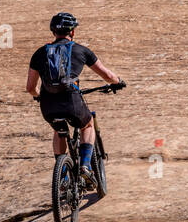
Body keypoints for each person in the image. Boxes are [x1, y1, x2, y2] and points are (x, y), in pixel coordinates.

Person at [26, 12, 124, 189]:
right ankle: (85, 166)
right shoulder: (80, 50)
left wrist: (38, 95)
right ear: (72, 32)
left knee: (59, 131)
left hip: (48, 105)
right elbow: (107, 75)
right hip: (71, 101)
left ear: (53, 32)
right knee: (87, 125)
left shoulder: (40, 53)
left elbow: (30, 88)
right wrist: (118, 82)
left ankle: (62, 175)